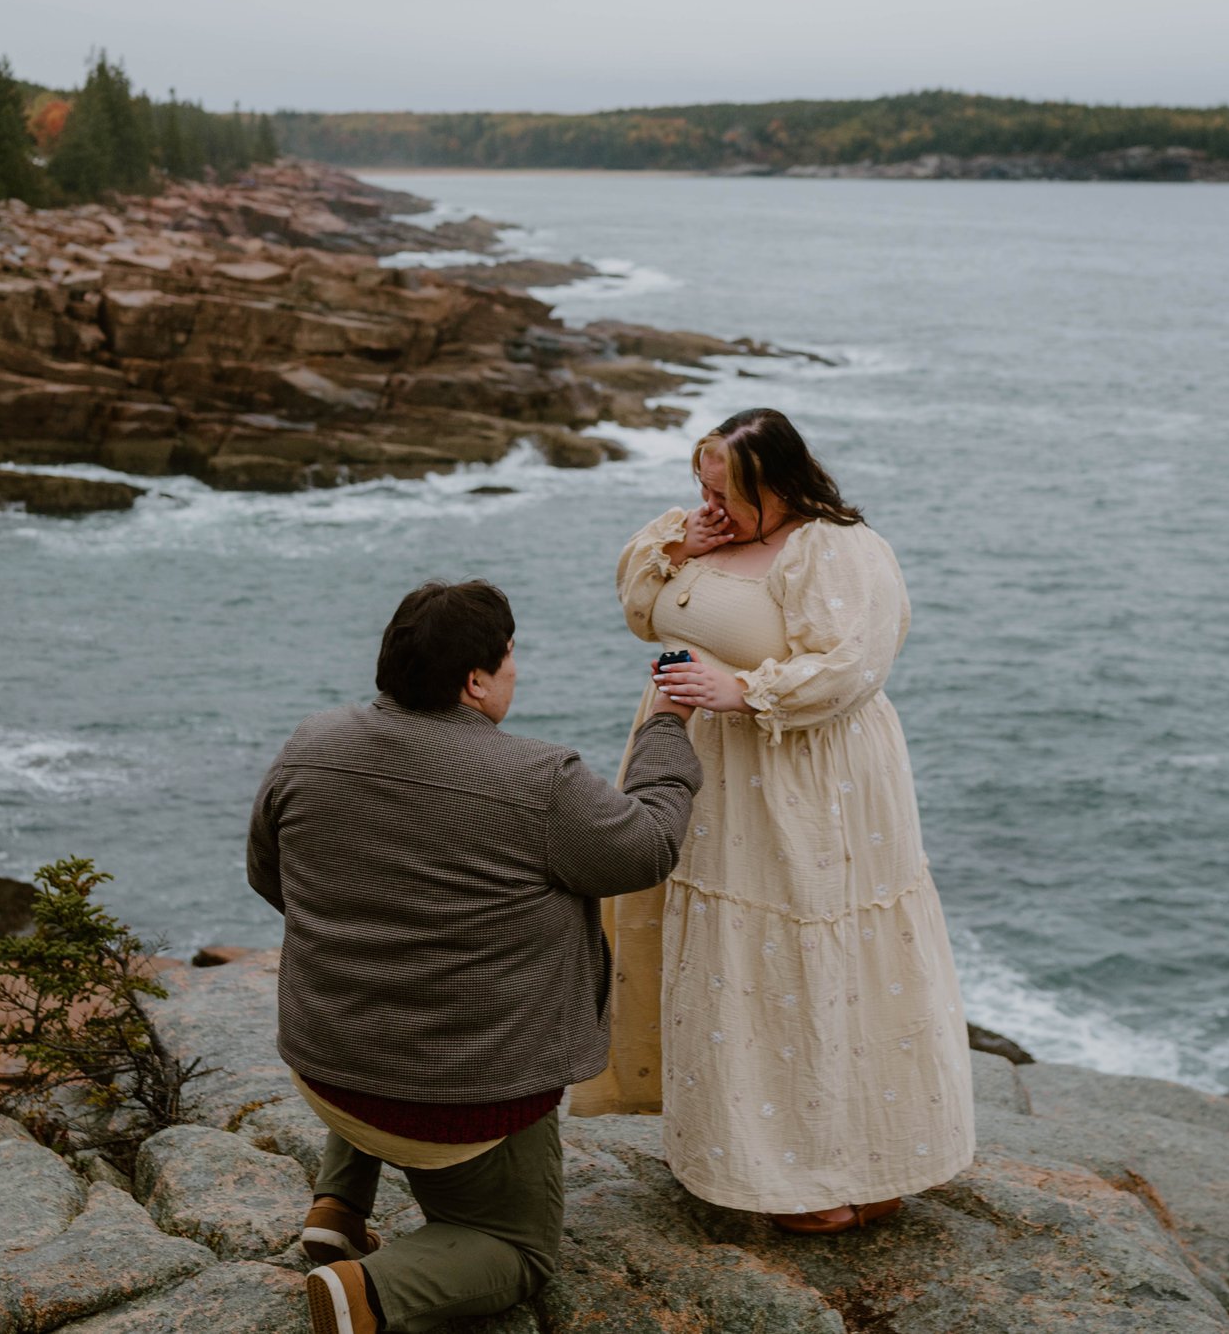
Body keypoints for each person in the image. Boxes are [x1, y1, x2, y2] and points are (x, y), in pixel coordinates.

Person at [248, 578, 703, 1334]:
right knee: (516, 1249)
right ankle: (366, 1292)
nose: (516, 670)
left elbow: (273, 878)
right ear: (475, 680)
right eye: (511, 656)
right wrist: (666, 722)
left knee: (390, 990)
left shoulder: (313, 743)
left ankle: (339, 1203)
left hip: (325, 1067)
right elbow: (648, 842)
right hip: (461, 1107)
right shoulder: (539, 779)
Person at [574, 407, 975, 1232]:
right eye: (703, 486)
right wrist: (685, 546)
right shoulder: (708, 536)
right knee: (735, 955)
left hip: (802, 773)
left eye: (726, 493)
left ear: (780, 483)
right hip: (713, 770)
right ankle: (756, 1160)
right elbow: (643, 610)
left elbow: (851, 665)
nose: (709, 503)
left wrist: (745, 691)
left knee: (810, 947)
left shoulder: (837, 549)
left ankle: (847, 1165)